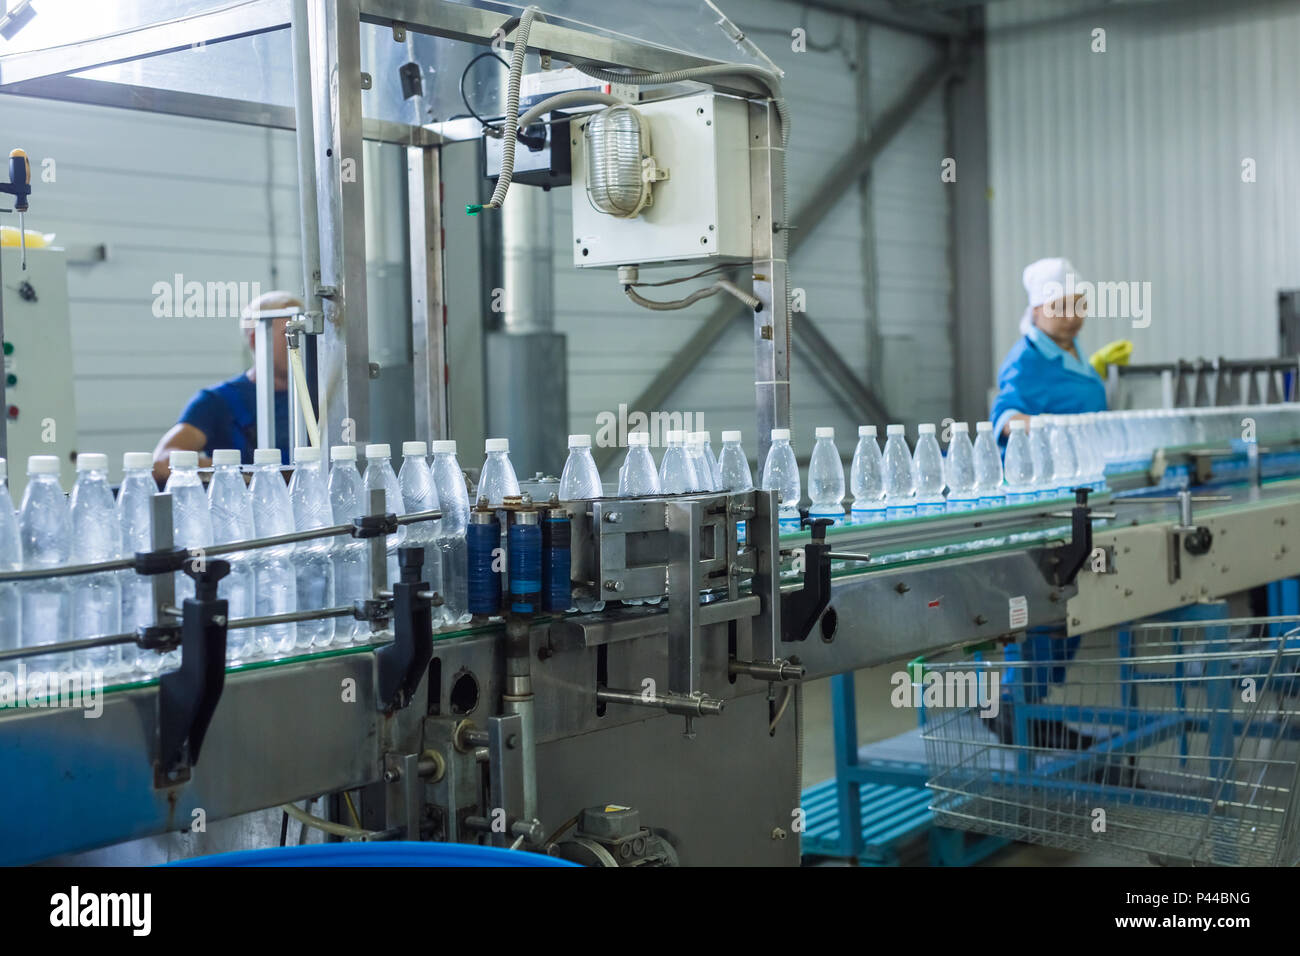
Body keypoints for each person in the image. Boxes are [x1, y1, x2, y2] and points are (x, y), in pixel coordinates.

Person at [151, 290, 298, 482]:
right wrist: (239, 474)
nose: (302, 342)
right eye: (291, 334)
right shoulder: (217, 401)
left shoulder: (324, 396)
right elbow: (163, 461)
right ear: (256, 340)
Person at [990, 257, 1108, 445]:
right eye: (1060, 308)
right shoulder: (1027, 359)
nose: (1072, 317)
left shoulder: (1072, 348)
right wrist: (1055, 429)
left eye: (1079, 306)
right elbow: (1005, 418)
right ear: (1036, 310)